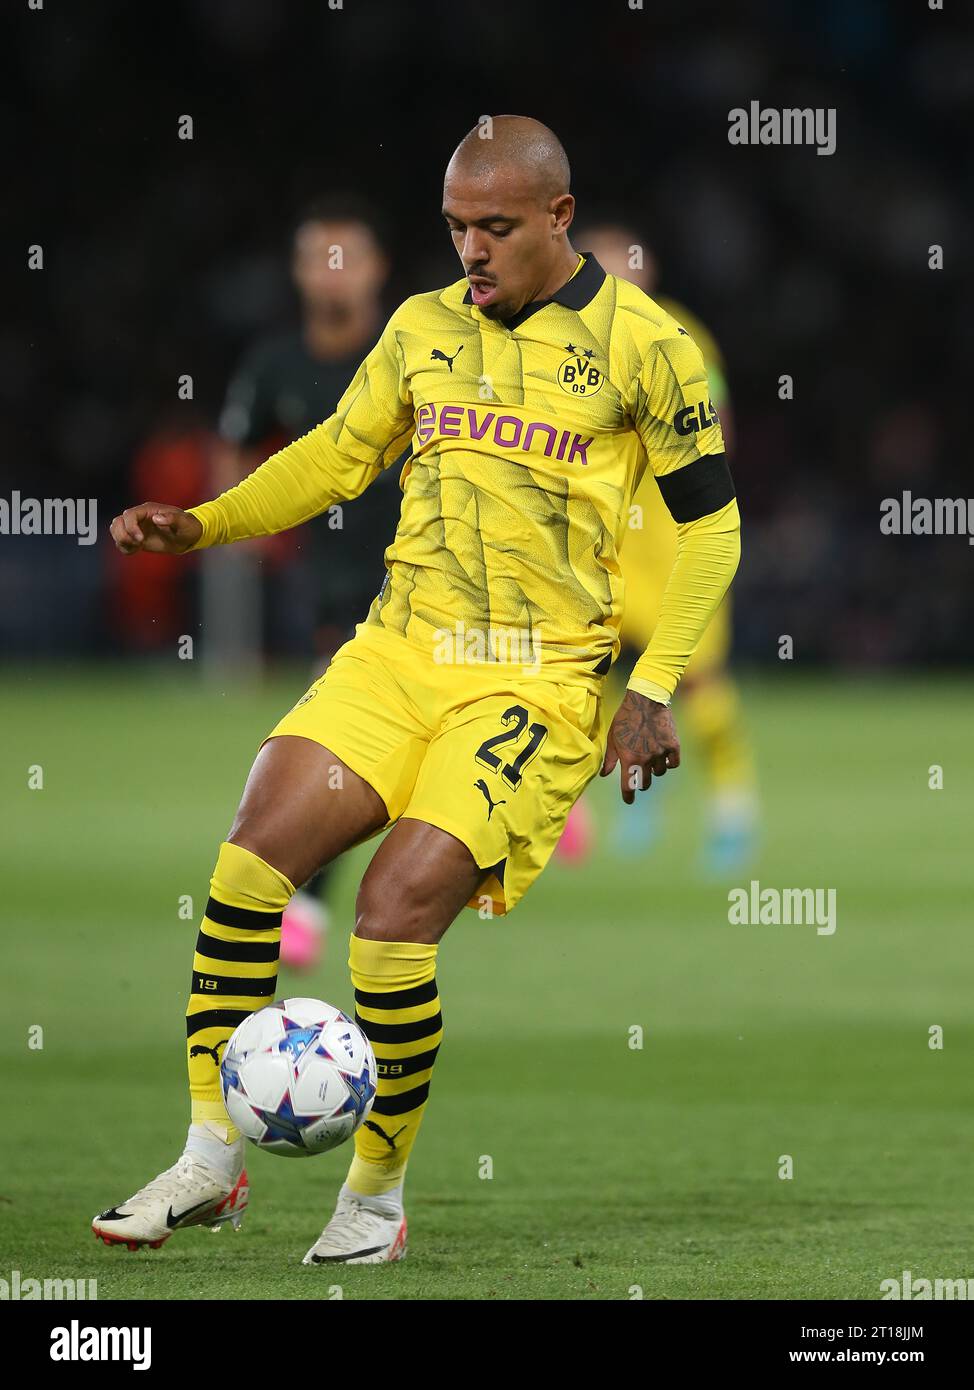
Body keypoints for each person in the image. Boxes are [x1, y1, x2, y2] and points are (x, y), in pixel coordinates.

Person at [97, 115, 741, 1265]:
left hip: (535, 683)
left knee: (391, 920)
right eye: (453, 229)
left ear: (557, 217)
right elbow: (336, 456)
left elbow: (711, 529)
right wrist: (203, 520)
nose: (471, 252)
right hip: (397, 649)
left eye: (494, 228)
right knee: (245, 866)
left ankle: (375, 1199)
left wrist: (648, 687)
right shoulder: (419, 329)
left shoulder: (645, 346)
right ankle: (207, 1158)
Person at [217, 196, 403, 968]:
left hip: (432, 575)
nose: (334, 273)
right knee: (343, 744)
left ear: (376, 271)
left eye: (348, 256)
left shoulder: (411, 352)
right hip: (333, 589)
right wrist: (250, 528)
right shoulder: (274, 367)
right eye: (319, 257)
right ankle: (318, 901)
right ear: (298, 273)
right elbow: (231, 448)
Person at [571, 222, 759, 871]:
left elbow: (720, 435)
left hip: (677, 536)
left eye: (627, 263)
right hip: (607, 539)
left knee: (699, 677)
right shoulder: (568, 337)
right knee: (591, 669)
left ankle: (733, 804)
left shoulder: (680, 335)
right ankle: (625, 800)